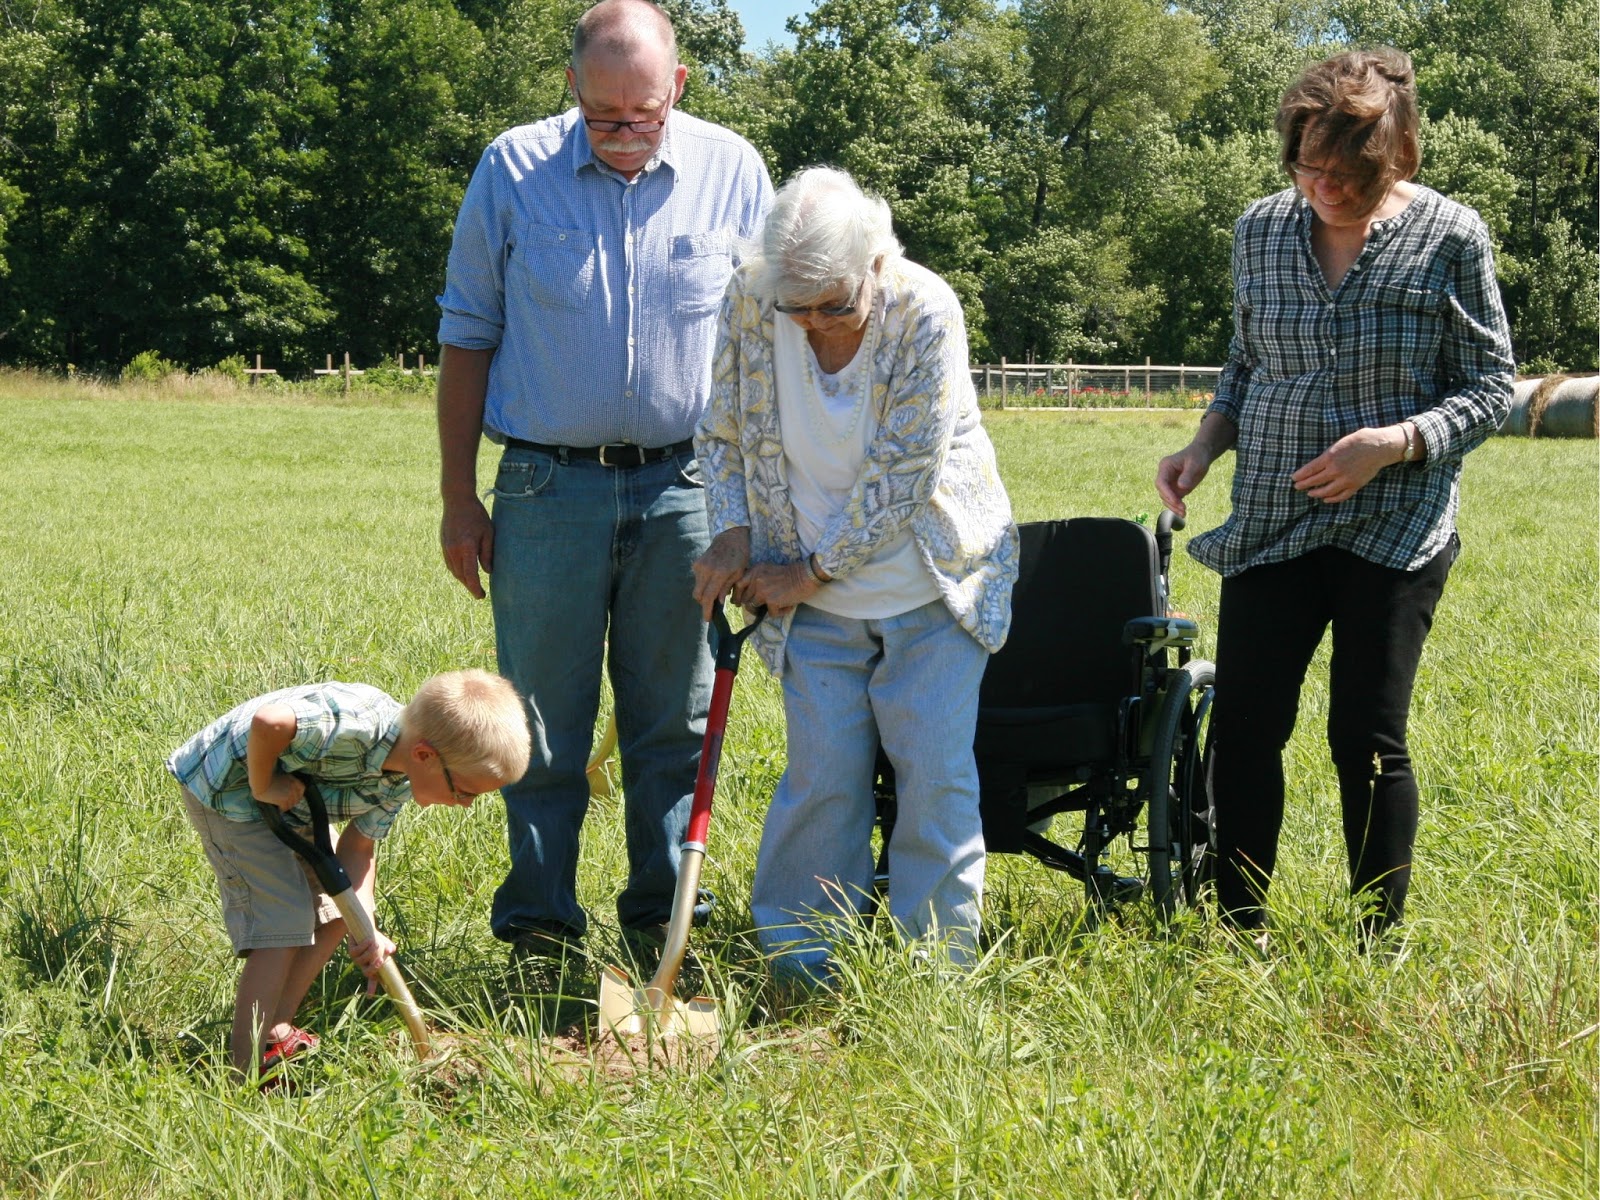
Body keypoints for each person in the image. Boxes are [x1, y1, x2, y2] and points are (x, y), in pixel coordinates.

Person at [434, 0, 772, 985]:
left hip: (689, 487)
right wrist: (459, 497)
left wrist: (757, 506)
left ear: (679, 87)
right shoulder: (511, 169)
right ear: (571, 87)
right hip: (546, 487)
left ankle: (664, 931)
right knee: (541, 729)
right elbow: (467, 336)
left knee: (673, 725)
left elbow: (766, 351)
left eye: (644, 115)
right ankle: (539, 936)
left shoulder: (734, 171)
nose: (624, 135)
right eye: (602, 116)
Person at [1154, 49, 1513, 947]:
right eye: (1308, 167)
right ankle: (1238, 928)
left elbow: (1491, 386)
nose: (1325, 188)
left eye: (1348, 174)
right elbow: (1246, 364)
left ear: (1397, 157)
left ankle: (1374, 940)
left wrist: (1392, 445)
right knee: (1245, 728)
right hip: (1274, 516)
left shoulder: (1451, 236)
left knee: (1366, 735)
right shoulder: (1260, 231)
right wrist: (1203, 445)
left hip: (1397, 524)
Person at [691, 166, 1018, 988]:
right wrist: (732, 531)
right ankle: (801, 966)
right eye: (794, 309)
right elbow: (721, 433)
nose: (812, 325)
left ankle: (932, 974)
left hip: (930, 585)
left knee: (933, 778)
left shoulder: (925, 308)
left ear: (877, 261)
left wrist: (809, 571)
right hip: (808, 597)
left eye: (833, 306)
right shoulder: (750, 298)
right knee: (821, 781)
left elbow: (904, 474)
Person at [167, 670, 531, 1077]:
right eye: (464, 792)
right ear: (425, 755)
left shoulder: (401, 777)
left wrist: (366, 928)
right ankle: (243, 1070)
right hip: (229, 791)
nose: (465, 805)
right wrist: (264, 784)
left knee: (341, 913)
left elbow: (358, 849)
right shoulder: (355, 727)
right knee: (283, 921)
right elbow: (270, 722)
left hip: (294, 803)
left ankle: (273, 1032)